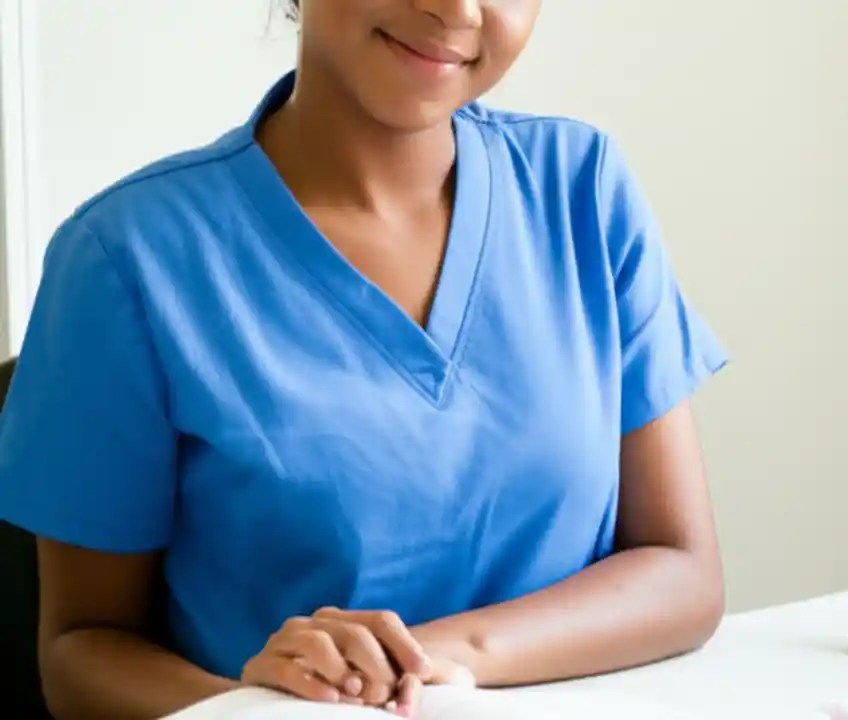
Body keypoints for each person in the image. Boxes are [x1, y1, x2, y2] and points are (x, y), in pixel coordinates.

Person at [0, 1, 729, 717]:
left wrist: (432, 659)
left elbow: (681, 569)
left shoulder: (581, 188)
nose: (457, 9)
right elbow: (80, 651)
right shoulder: (127, 258)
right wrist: (271, 711)